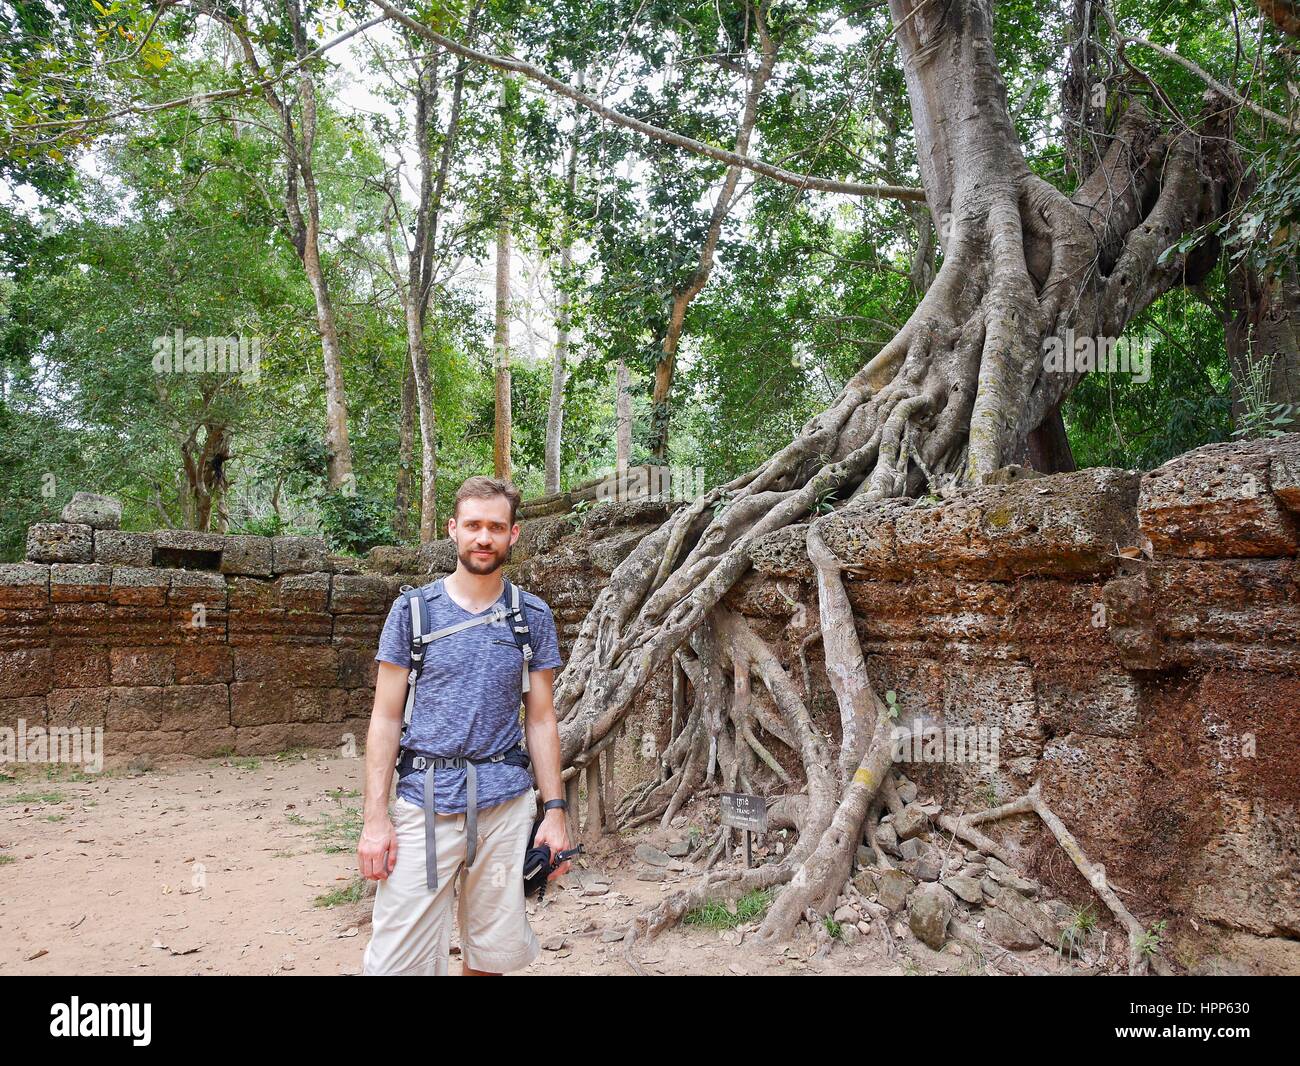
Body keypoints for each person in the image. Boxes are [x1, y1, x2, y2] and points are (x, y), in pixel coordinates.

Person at [357, 475, 570, 975]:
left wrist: (554, 811)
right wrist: (374, 820)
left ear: (513, 535)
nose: (483, 537)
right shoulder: (413, 611)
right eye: (473, 525)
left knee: (492, 951)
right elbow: (385, 718)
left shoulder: (530, 616)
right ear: (453, 529)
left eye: (496, 527)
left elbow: (541, 721)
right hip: (424, 801)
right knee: (395, 961)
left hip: (504, 806)